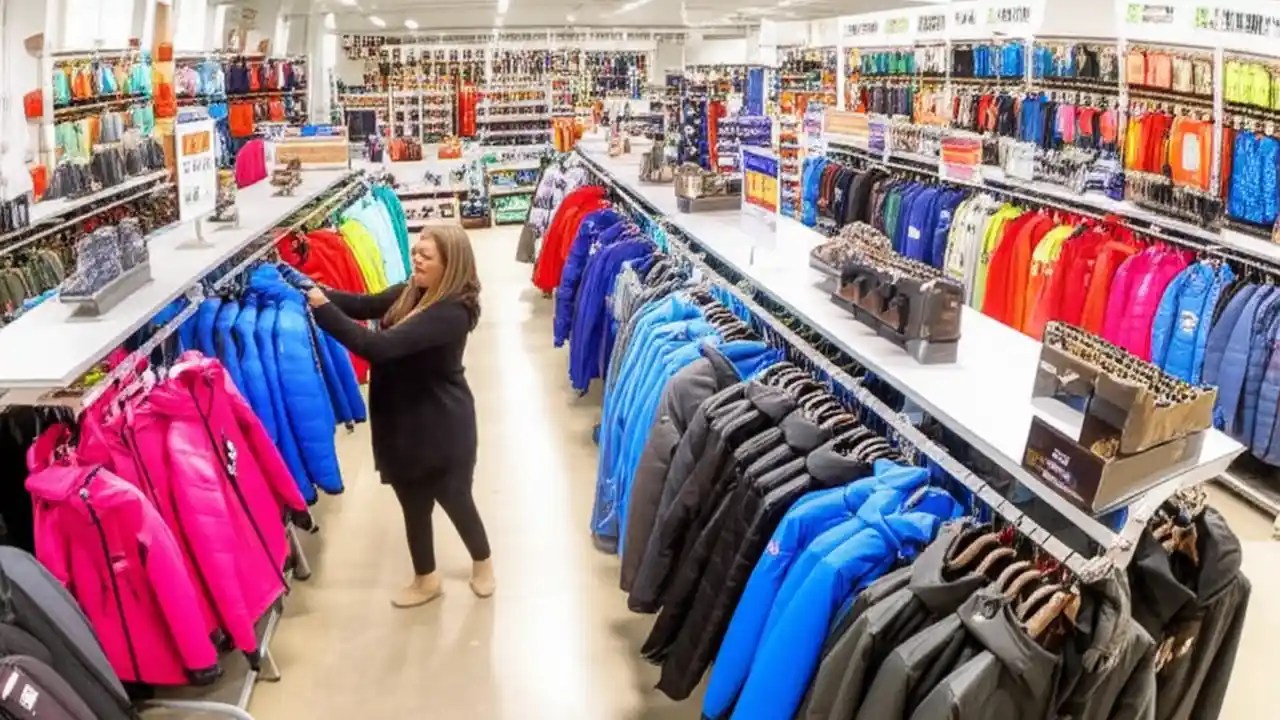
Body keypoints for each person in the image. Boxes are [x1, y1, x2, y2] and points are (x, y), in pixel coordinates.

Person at [306, 225, 494, 608]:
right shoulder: (412, 292)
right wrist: (312, 292)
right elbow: (363, 304)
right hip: (401, 418)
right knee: (412, 500)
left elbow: (378, 347)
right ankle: (426, 578)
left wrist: (322, 310)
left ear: (450, 263)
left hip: (442, 423)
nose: (417, 260)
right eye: (416, 251)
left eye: (427, 256)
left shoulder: (452, 311)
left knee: (455, 498)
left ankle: (483, 563)